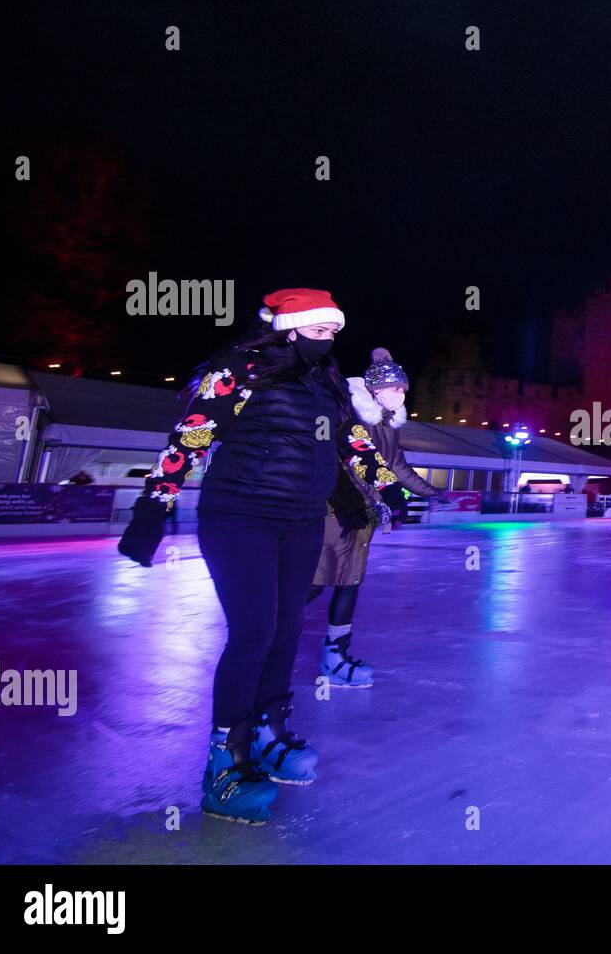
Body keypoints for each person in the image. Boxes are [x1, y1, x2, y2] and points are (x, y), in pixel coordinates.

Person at [117, 289, 413, 826]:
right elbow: (192, 435)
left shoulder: (322, 383)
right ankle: (225, 766)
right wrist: (152, 508)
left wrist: (389, 488)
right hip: (240, 518)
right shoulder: (240, 369)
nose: (330, 342)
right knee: (253, 632)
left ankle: (270, 735)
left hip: (300, 521)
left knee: (284, 628)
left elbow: (351, 441)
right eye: (322, 331)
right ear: (293, 328)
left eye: (334, 333)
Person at [308, 348, 441, 688]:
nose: (401, 394)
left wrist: (431, 492)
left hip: (365, 511)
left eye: (403, 389)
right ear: (376, 389)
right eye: (395, 388)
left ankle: (336, 651)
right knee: (316, 580)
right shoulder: (348, 414)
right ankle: (267, 633)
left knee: (350, 581)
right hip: (337, 510)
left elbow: (396, 466)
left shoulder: (388, 424)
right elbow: (345, 460)